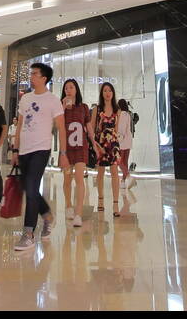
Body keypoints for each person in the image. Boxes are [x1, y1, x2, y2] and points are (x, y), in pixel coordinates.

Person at [10, 63, 64, 252]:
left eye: (34, 74)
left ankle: (28, 234)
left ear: (44, 78)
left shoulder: (53, 100)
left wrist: (63, 153)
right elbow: (20, 126)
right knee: (29, 189)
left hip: (41, 149)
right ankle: (47, 216)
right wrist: (15, 150)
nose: (31, 77)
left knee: (32, 187)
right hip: (24, 150)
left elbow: (61, 128)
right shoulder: (25, 99)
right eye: (31, 73)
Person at [57, 79, 90, 225]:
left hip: (81, 147)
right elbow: (56, 126)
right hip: (66, 148)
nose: (68, 90)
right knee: (67, 179)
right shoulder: (60, 107)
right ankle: (68, 205)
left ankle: (78, 214)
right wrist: (62, 107)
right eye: (66, 88)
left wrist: (94, 143)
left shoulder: (83, 107)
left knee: (79, 178)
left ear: (76, 89)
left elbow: (88, 127)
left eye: (71, 87)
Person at [89, 81, 123, 217]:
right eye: (105, 91)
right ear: (101, 93)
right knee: (101, 173)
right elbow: (91, 127)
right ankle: (101, 200)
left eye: (109, 91)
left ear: (113, 93)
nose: (107, 93)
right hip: (100, 144)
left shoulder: (117, 110)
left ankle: (116, 204)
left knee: (115, 173)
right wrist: (95, 144)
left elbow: (116, 129)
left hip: (113, 144)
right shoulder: (97, 109)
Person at [115, 98, 134, 187]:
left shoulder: (121, 115)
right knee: (125, 161)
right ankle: (123, 181)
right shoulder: (128, 114)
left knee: (119, 161)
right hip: (128, 139)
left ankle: (128, 177)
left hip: (122, 139)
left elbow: (121, 128)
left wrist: (119, 137)